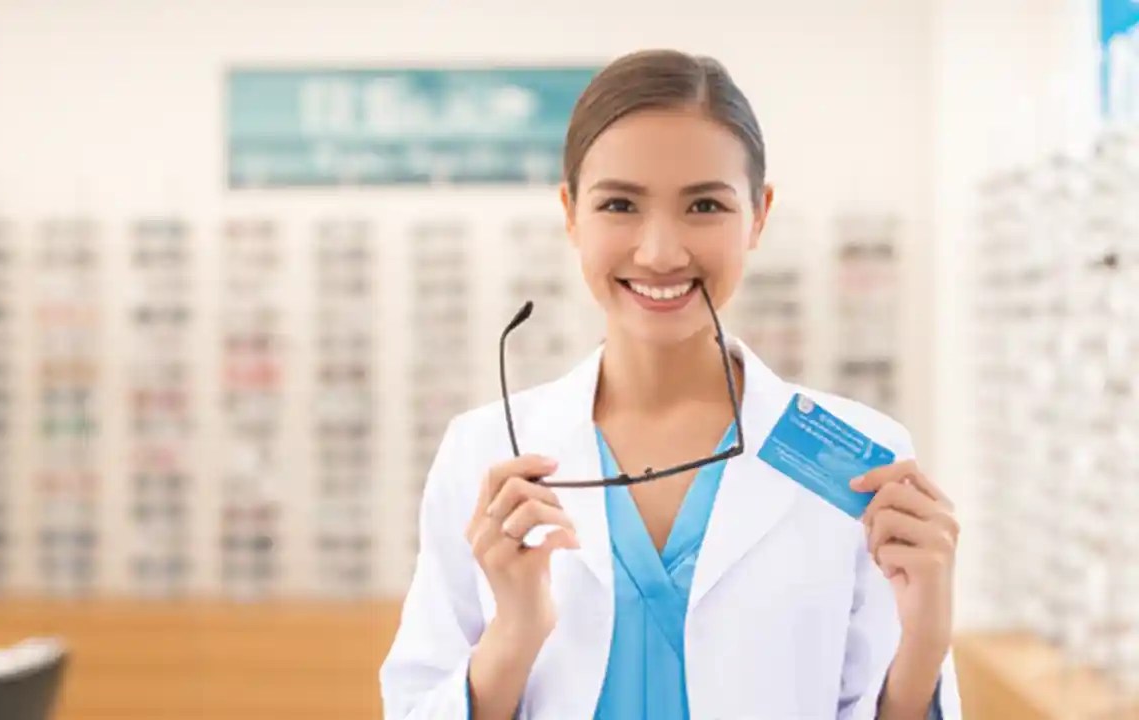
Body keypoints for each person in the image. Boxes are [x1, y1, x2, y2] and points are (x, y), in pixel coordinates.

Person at [380, 49, 962, 719]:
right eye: (620, 204)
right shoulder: (480, 451)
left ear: (759, 215)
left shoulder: (861, 460)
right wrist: (514, 632)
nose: (659, 252)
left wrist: (924, 646)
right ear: (571, 213)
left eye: (705, 205)